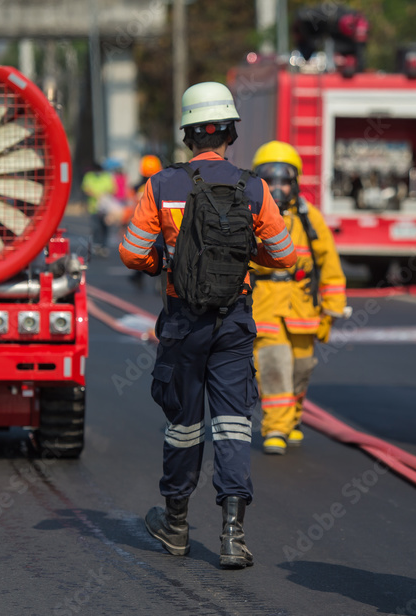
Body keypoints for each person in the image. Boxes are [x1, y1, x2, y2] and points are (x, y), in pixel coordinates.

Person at [119, 82, 297, 569]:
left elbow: (132, 252)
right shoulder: (255, 187)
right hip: (233, 321)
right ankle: (233, 534)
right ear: (231, 132)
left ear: (188, 134)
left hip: (182, 322)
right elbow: (285, 256)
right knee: (235, 425)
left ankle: (176, 525)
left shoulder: (160, 186)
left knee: (183, 426)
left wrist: (166, 263)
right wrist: (244, 255)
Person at [249, 141, 347, 455]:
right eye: (269, 180)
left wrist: (330, 312)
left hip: (304, 310)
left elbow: (329, 266)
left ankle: (292, 419)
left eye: (284, 180)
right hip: (265, 307)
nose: (277, 187)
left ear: (295, 182)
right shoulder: (250, 218)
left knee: (301, 369)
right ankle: (275, 428)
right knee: (273, 366)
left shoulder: (310, 219)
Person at [127, 155, 164, 290]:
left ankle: (138, 275)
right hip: (160, 224)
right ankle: (161, 278)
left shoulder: (137, 187)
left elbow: (131, 206)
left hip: (143, 225)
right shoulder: (163, 185)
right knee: (161, 251)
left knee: (141, 252)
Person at [82, 162, 115, 256]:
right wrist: (95, 194)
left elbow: (112, 189)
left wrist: (104, 195)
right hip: (94, 207)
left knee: (105, 227)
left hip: (105, 208)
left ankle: (104, 246)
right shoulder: (89, 176)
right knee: (96, 227)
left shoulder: (107, 176)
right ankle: (97, 245)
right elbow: (85, 188)